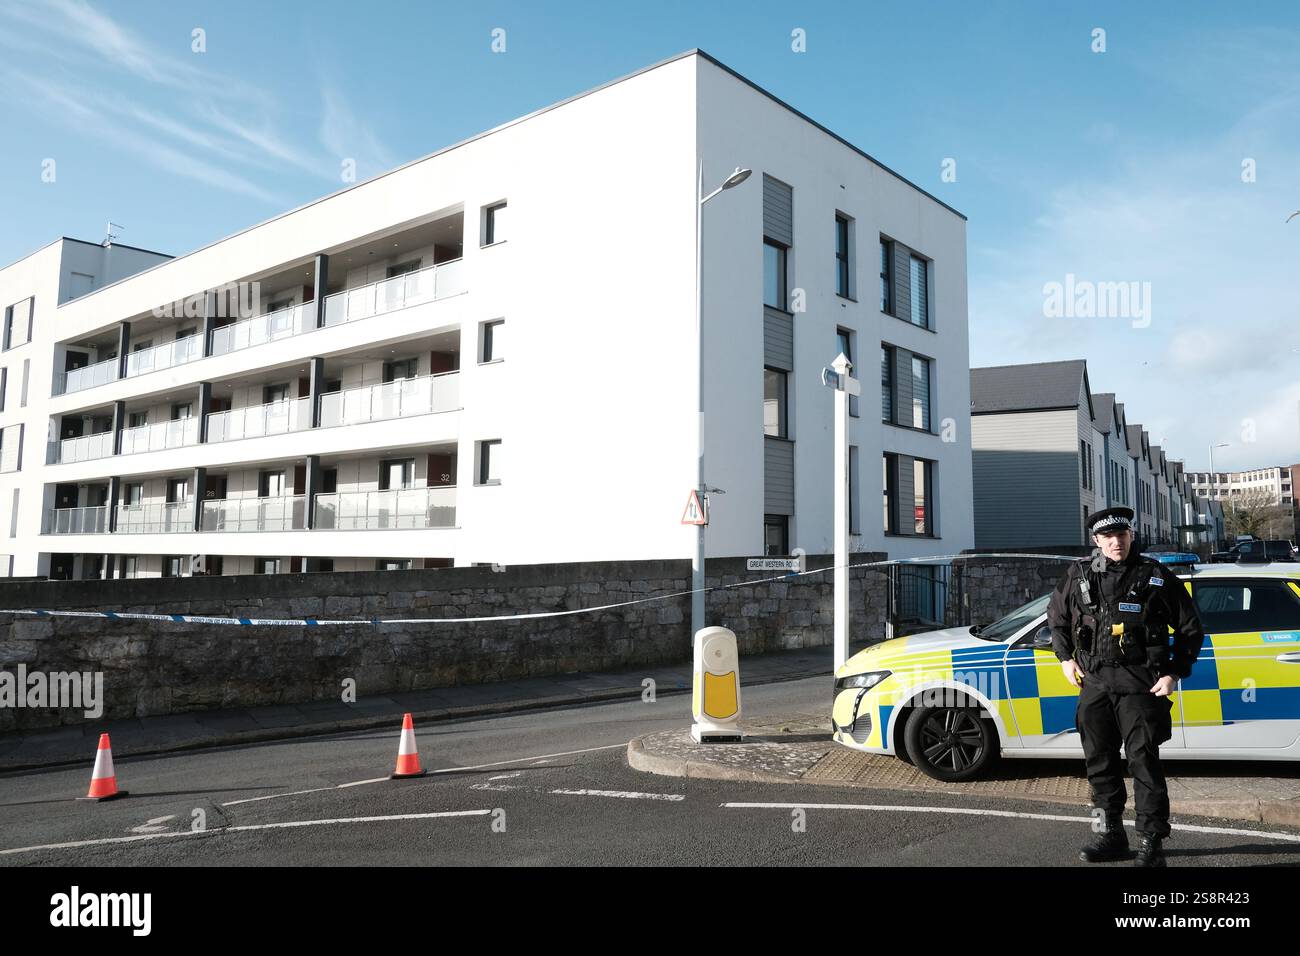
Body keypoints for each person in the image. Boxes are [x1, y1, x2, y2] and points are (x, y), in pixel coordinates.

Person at [1046, 506, 1204, 867]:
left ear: (1132, 535)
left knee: (1143, 764)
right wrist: (1065, 658)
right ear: (1097, 541)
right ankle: (1109, 835)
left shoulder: (1156, 576)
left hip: (1141, 686)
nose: (1117, 542)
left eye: (1123, 534)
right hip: (1096, 683)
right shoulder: (1079, 574)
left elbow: (1190, 628)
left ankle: (1152, 843)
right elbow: (1057, 618)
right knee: (1099, 764)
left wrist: (1174, 673)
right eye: (1108, 536)